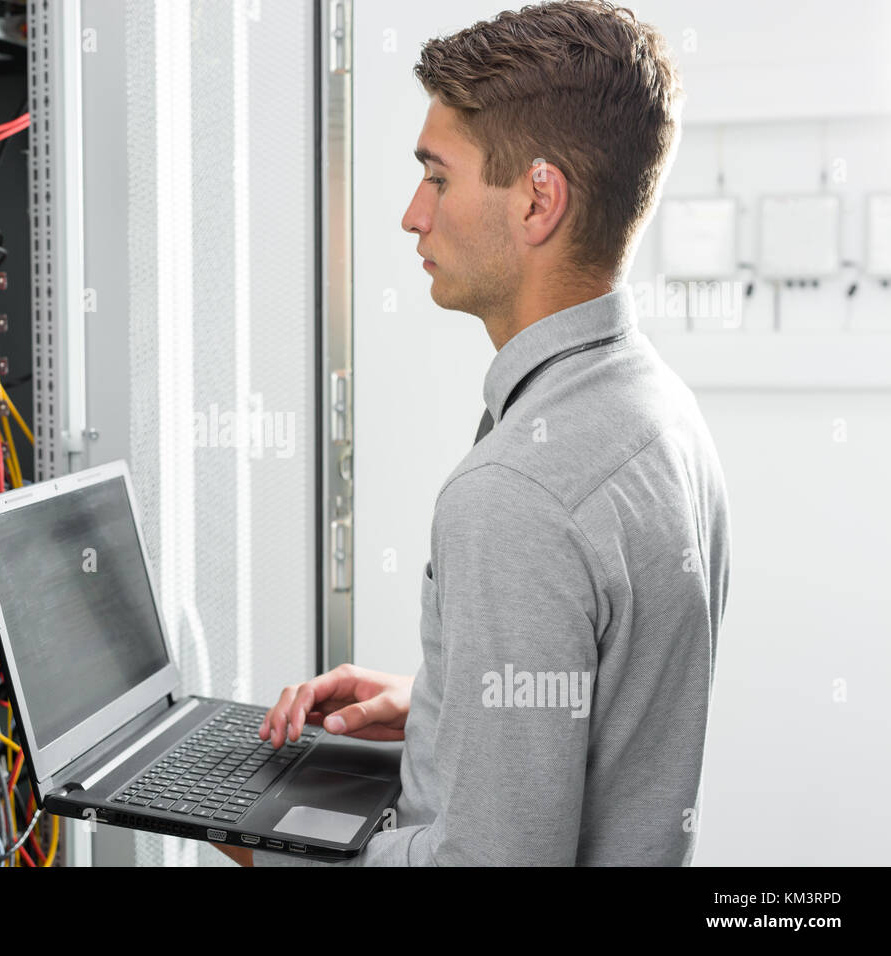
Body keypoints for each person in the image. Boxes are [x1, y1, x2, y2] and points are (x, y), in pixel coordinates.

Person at [221, 0, 730, 867]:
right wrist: (451, 703)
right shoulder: (661, 412)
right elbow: (617, 711)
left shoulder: (515, 496)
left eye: (438, 176)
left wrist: (272, 850)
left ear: (539, 201)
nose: (412, 214)